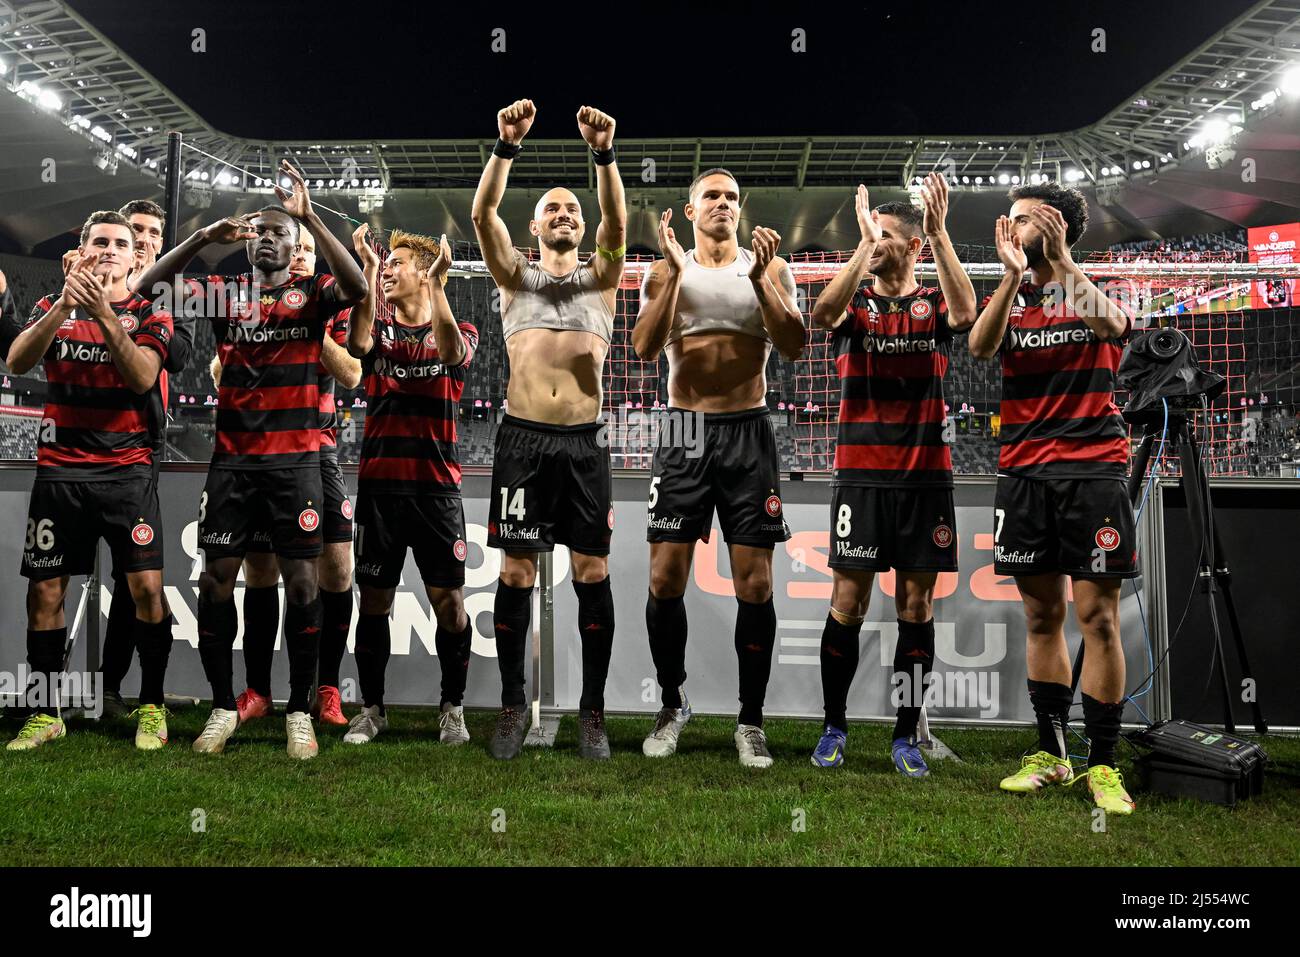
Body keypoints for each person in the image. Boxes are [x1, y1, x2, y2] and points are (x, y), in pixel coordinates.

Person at [134, 161, 366, 758]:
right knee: (217, 580)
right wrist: (201, 239)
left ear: (295, 249)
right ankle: (222, 704)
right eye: (259, 230)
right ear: (248, 244)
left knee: (302, 581)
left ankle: (298, 709)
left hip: (297, 465)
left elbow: (360, 288)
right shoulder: (224, 297)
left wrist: (309, 214)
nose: (267, 236)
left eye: (279, 232)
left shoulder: (313, 297)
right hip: (232, 465)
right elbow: (146, 289)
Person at [968, 182, 1137, 815]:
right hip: (1023, 474)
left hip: (1092, 471)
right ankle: (1050, 754)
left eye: (1021, 221)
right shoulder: (1011, 294)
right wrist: (1013, 279)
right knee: (1042, 619)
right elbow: (982, 347)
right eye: (1006, 221)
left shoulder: (1081, 287)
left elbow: (1113, 326)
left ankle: (1104, 766)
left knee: (1097, 620)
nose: (1008, 229)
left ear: (1057, 227)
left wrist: (1063, 264)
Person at [632, 167, 804, 767]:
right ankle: (673, 703)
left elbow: (793, 344)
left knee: (754, 583)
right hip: (683, 428)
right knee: (663, 579)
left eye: (732, 197)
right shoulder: (665, 269)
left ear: (742, 209)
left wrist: (760, 281)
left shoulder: (768, 266)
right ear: (689, 209)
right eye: (712, 196)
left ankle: (750, 720)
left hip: (748, 430)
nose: (723, 204)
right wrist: (677, 275)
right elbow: (645, 347)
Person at [805, 175, 976, 775]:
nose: (875, 244)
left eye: (884, 238)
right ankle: (833, 727)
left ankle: (906, 735)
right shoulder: (855, 303)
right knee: (847, 601)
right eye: (869, 235)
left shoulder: (932, 306)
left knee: (915, 602)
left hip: (926, 476)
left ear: (913, 248)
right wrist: (860, 245)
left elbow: (966, 313)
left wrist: (940, 231)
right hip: (860, 475)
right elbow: (822, 316)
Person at [471, 100, 625, 760]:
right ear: (534, 226)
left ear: (583, 228)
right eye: (553, 210)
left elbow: (618, 219)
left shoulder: (604, 276)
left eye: (573, 211)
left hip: (582, 443)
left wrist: (604, 155)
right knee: (515, 572)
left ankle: (591, 711)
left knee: (591, 570)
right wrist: (505, 147)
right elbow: (482, 216)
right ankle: (512, 704)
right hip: (522, 440)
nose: (564, 215)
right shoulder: (514, 276)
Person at [5, 211, 174, 751]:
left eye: (119, 243)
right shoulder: (52, 309)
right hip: (60, 473)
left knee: (146, 589)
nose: (108, 250)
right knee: (46, 592)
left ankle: (152, 706)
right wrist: (63, 306)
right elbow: (16, 360)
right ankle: (43, 711)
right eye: (97, 241)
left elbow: (143, 376)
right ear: (81, 251)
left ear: (134, 256)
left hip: (127, 473)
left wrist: (102, 313)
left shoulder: (152, 313)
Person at [210, 226, 360, 728]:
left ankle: (326, 688)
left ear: (314, 259)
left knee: (335, 570)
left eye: (304, 252)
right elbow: (216, 372)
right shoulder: (247, 302)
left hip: (317, 450)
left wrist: (304, 326)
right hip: (257, 451)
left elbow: (353, 374)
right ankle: (258, 691)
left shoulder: (327, 303)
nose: (295, 258)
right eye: (291, 251)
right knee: (259, 571)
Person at [343, 224, 477, 746]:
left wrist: (441, 287)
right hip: (380, 491)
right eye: (388, 265)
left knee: (450, 603)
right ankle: (372, 709)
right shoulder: (381, 333)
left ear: (424, 272)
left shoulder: (461, 329)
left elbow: (449, 355)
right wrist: (370, 274)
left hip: (436, 493)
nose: (391, 270)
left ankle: (453, 707)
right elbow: (357, 345)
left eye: (398, 263)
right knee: (373, 603)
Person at [89, 199, 195, 718]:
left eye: (155, 233)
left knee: (139, 578)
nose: (148, 239)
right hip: (80, 448)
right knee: (117, 580)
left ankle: (129, 692)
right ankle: (108, 690)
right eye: (137, 232)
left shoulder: (172, 297)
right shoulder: (90, 292)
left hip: (141, 446)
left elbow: (177, 356)